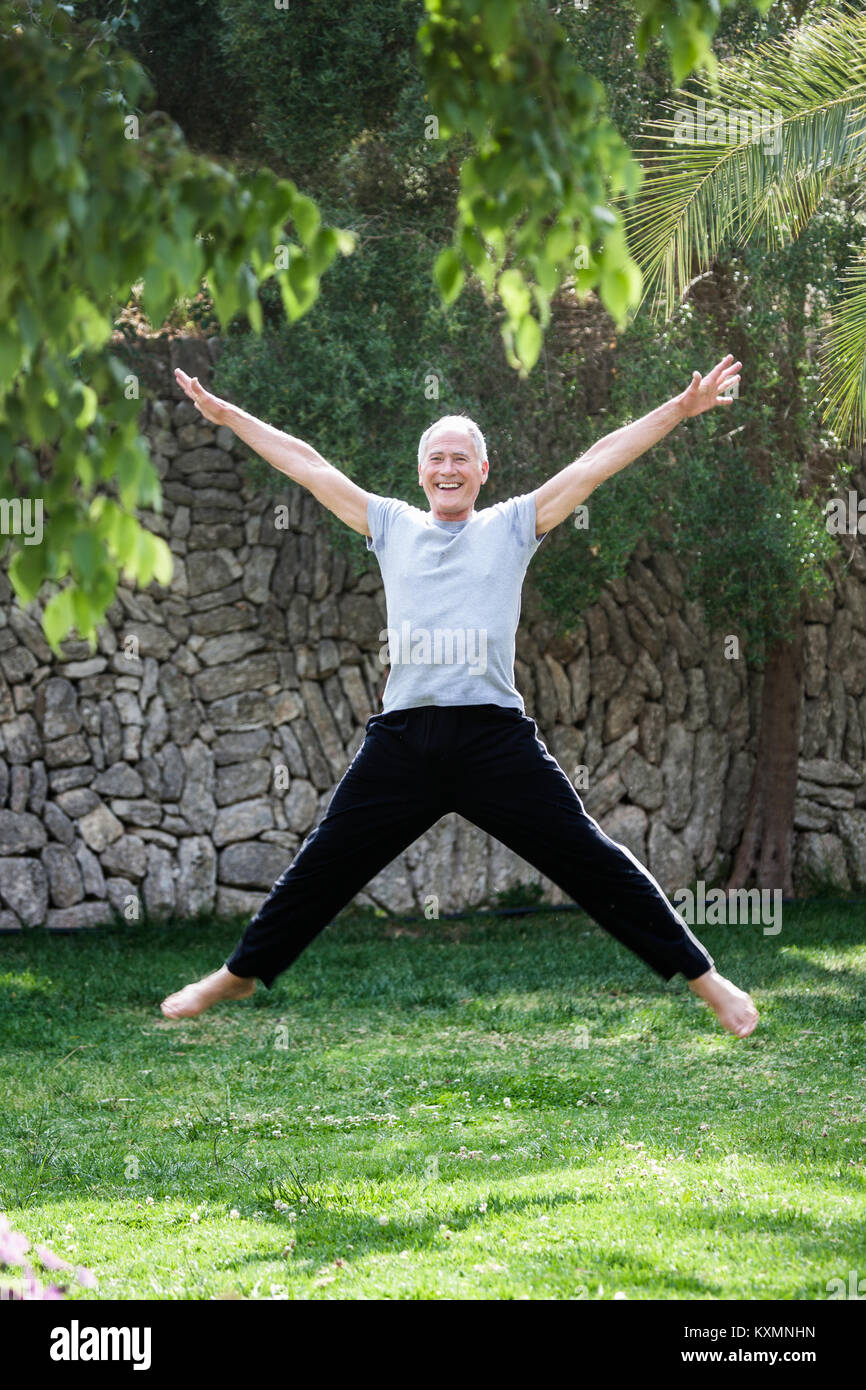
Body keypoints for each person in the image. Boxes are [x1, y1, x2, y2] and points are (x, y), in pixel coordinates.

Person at [161, 356, 758, 1038]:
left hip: (492, 741)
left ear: (482, 472)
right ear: (421, 474)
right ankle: (238, 975)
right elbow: (308, 463)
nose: (448, 468)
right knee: (325, 862)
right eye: (436, 459)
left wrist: (679, 410)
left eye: (461, 458)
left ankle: (705, 979)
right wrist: (228, 415)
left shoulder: (511, 526)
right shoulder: (389, 524)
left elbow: (596, 462)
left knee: (588, 858)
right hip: (404, 742)